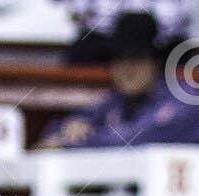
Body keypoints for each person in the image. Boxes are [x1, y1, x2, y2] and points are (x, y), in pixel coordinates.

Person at [40, 10, 199, 147]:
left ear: (156, 63)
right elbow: (55, 131)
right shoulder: (115, 102)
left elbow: (137, 140)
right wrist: (69, 128)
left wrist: (74, 142)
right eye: (119, 59)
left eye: (137, 59)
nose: (127, 69)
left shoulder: (184, 98)